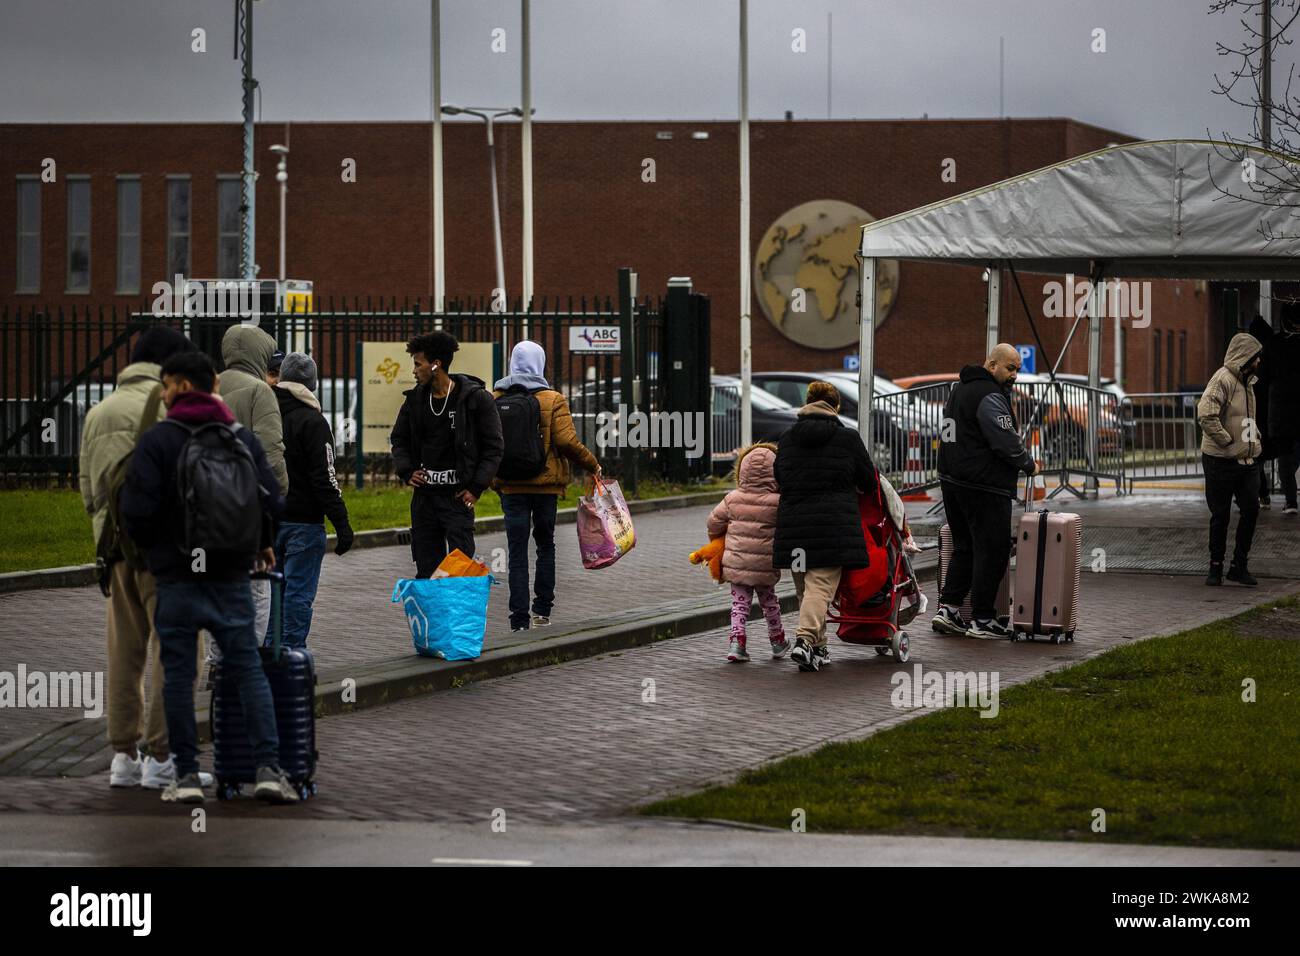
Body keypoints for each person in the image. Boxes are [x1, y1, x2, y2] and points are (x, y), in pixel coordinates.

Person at [121, 350, 298, 804]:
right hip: (232, 577)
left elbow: (136, 514)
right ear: (213, 388)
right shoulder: (238, 437)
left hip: (178, 579)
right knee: (247, 671)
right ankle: (267, 769)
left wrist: (163, 556)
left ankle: (183, 776)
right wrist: (259, 544)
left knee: (177, 678)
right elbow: (272, 500)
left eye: (165, 386)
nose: (161, 394)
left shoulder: (159, 440)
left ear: (178, 386)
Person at [79, 325, 202, 790]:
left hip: (115, 551)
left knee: (124, 653)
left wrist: (111, 536)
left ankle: (122, 756)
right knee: (177, 650)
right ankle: (160, 756)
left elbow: (89, 491)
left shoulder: (98, 411)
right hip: (165, 552)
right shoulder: (172, 405)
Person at [491, 341, 600, 632]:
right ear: (540, 363)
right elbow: (566, 442)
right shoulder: (553, 399)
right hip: (545, 487)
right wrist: (593, 465)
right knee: (545, 545)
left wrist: (490, 479)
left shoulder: (496, 397)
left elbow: (488, 443)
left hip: (511, 486)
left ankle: (518, 619)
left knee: (516, 551)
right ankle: (541, 610)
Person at [932, 343, 1039, 639]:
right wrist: (1027, 464)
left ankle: (949, 610)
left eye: (1017, 369)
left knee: (965, 547)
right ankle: (982, 620)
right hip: (983, 484)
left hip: (952, 480)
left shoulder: (959, 390)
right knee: (992, 549)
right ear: (992, 365)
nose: (1015, 375)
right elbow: (1004, 438)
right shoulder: (989, 394)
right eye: (1010, 368)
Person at [772, 380, 877, 672]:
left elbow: (780, 477)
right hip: (833, 527)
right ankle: (805, 640)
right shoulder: (848, 438)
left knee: (805, 589)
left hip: (794, 528)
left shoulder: (788, 437)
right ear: (836, 406)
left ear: (807, 402)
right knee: (820, 588)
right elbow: (868, 481)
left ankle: (818, 649)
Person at [390, 331, 504, 578]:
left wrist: (476, 487)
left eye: (418, 364)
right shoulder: (415, 401)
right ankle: (432, 617)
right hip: (425, 500)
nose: (414, 371)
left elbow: (493, 447)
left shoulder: (475, 399)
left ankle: (458, 617)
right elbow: (399, 439)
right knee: (426, 569)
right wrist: (407, 470)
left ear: (436, 364)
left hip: (457, 499)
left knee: (459, 570)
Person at [273, 352, 355, 647]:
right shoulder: (313, 421)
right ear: (312, 384)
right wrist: (341, 523)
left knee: (272, 592)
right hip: (304, 522)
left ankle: (272, 652)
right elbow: (325, 477)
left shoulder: (267, 412)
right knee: (297, 593)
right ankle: (291, 653)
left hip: (269, 518)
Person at [219, 325, 289, 666]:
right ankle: (245, 665)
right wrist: (277, 499)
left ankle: (217, 665)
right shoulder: (260, 391)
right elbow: (271, 454)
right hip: (247, 512)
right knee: (257, 588)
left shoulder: (211, 386)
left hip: (209, 509)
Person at [705, 442, 789, 663]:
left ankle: (737, 643)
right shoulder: (778, 502)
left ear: (742, 470)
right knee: (770, 602)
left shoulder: (732, 498)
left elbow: (713, 522)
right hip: (765, 564)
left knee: (739, 605)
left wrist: (717, 538)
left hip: (737, 562)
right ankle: (777, 640)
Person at [1199, 332, 1265, 586]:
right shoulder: (1222, 379)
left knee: (1251, 509)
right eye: (1256, 357)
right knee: (1220, 515)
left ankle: (1239, 565)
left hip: (1246, 461)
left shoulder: (1248, 384)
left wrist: (1254, 440)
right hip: (1220, 461)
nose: (1259, 362)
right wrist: (1227, 441)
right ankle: (1215, 566)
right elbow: (1206, 415)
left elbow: (1245, 418)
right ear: (1245, 357)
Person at [1269, 304, 1300, 514]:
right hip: (1290, 415)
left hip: (1282, 416)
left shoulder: (1274, 346)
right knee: (1291, 458)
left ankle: (1290, 500)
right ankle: (1289, 498)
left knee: (1285, 460)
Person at [1247, 316, 1276, 510]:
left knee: (1254, 456)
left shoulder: (1254, 359)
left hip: (1254, 414)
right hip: (1268, 414)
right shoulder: (1271, 356)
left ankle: (1261, 492)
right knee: (1260, 455)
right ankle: (1262, 492)